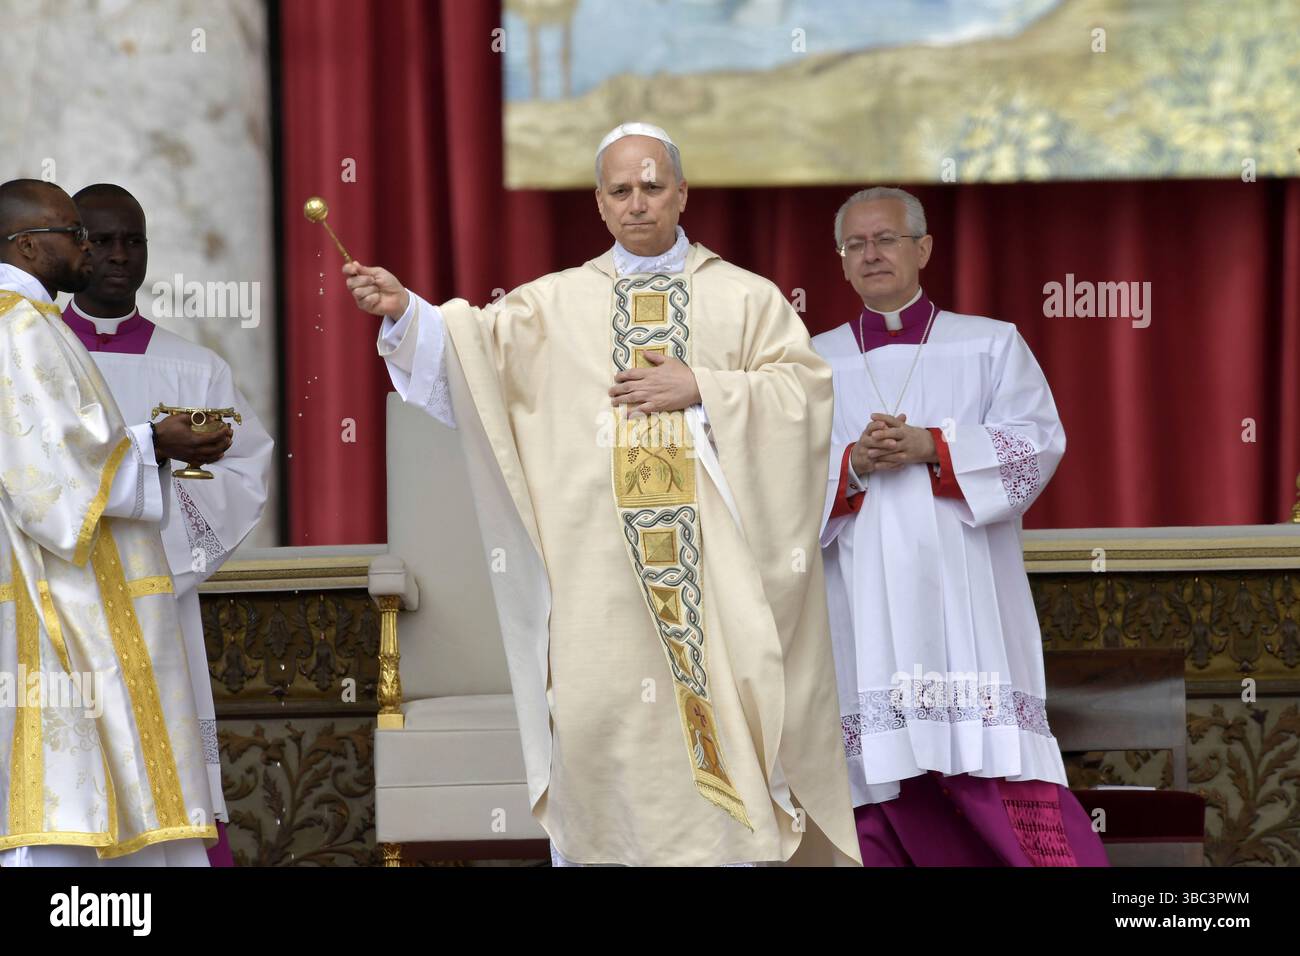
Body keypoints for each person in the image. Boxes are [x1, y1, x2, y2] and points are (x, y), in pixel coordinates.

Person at [346, 123, 860, 866]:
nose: (638, 203)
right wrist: (407, 314)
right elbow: (473, 361)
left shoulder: (746, 300)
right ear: (598, 202)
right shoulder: (552, 307)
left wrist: (703, 389)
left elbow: (805, 398)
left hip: (712, 589)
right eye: (621, 190)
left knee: (725, 758)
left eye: (654, 187)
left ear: (683, 193)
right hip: (598, 590)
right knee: (599, 742)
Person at [814, 186, 1107, 866]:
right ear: (841, 262)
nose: (871, 254)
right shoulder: (809, 364)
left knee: (988, 767)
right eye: (855, 245)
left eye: (885, 239)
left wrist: (937, 449)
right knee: (885, 778)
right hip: (862, 606)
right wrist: (851, 464)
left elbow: (1036, 445)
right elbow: (774, 477)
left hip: (968, 602)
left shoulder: (989, 344)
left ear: (924, 248)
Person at [0, 178, 215, 866]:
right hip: (53, 598)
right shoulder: (20, 327)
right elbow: (50, 476)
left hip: (66, 587)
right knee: (67, 793)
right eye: (74, 233)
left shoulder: (30, 322)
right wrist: (157, 443)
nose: (89, 248)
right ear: (28, 245)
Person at [61, 183, 275, 862]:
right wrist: (146, 452)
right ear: (74, 248)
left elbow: (241, 475)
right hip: (54, 602)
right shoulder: (30, 360)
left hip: (160, 604)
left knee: (166, 767)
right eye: (102, 240)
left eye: (134, 240)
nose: (119, 255)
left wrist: (160, 558)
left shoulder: (194, 368)